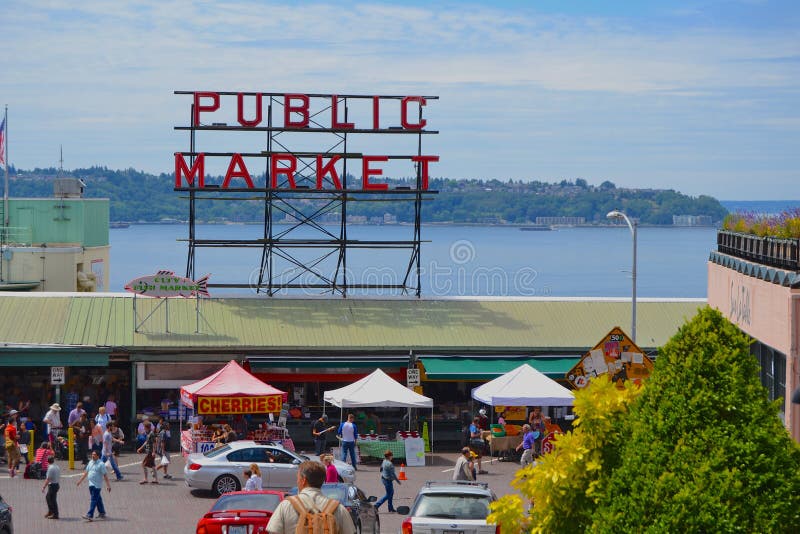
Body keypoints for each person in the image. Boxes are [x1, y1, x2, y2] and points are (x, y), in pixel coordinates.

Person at [266, 460, 355, 534]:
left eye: (298, 478)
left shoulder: (286, 506)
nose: (297, 481)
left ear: (303, 480)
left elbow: (273, 531)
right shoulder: (339, 509)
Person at [76, 450, 111, 522]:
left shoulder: (101, 464)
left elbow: (105, 475)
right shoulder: (90, 462)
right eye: (92, 454)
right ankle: (102, 512)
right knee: (98, 498)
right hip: (91, 484)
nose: (92, 456)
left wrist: (108, 485)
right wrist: (80, 481)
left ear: (98, 456)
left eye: (94, 455)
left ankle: (90, 515)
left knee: (93, 499)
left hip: (97, 485)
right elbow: (86, 472)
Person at [42, 454, 60, 519]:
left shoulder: (50, 468)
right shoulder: (56, 466)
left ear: (47, 461)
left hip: (52, 485)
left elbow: (48, 479)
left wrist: (44, 487)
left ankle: (55, 514)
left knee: (51, 500)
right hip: (56, 484)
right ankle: (51, 511)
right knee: (49, 498)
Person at [4, 410, 21, 478]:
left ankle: (11, 470)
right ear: (12, 415)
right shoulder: (12, 426)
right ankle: (11, 470)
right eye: (15, 414)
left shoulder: (8, 427)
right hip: (13, 443)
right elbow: (14, 436)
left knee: (10, 457)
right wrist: (18, 436)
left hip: (8, 443)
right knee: (18, 457)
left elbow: (7, 434)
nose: (16, 415)